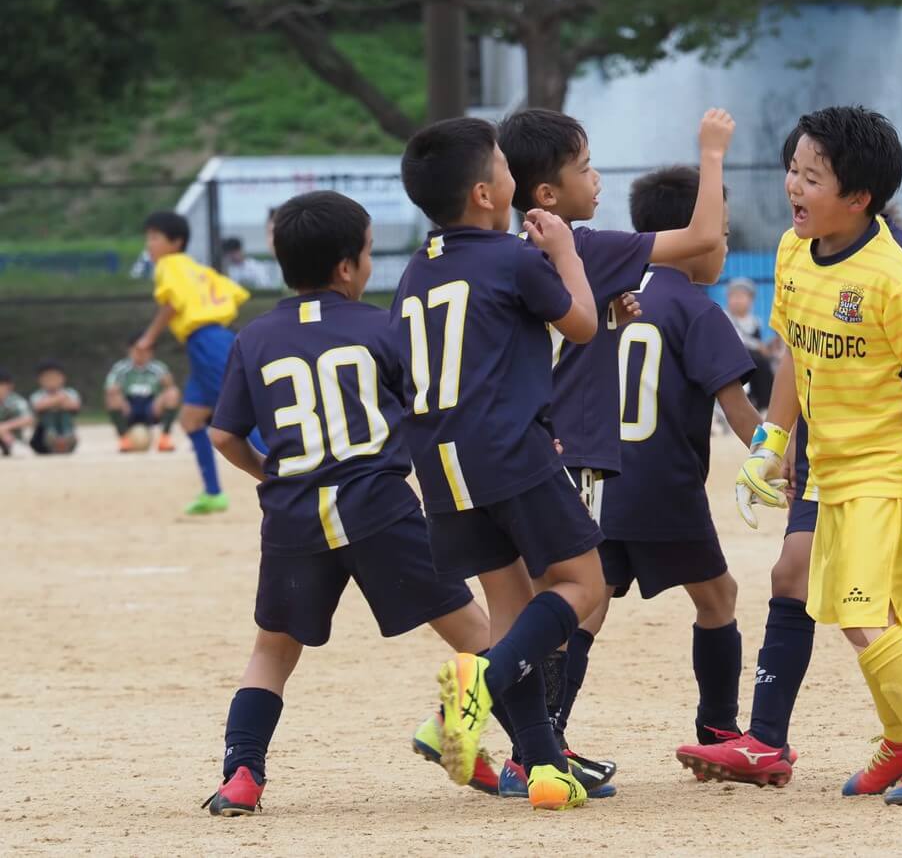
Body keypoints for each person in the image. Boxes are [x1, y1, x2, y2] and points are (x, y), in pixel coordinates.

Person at [675, 142, 902, 791]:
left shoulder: (896, 274)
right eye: (794, 172)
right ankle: (900, 742)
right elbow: (794, 356)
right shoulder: (792, 251)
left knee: (865, 615)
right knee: (858, 613)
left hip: (883, 472)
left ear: (858, 197)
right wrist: (770, 442)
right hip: (827, 472)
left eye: (812, 178)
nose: (793, 187)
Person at [200, 191, 494, 817]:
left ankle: (242, 774)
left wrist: (267, 476)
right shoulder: (382, 326)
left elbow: (224, 435)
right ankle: (495, 741)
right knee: (476, 633)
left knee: (273, 650)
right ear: (346, 267)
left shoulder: (253, 338)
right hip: (379, 508)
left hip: (294, 513)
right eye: (366, 252)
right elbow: (430, 405)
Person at [495, 105, 733, 797]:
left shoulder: (512, 256)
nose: (597, 179)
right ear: (547, 194)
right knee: (574, 604)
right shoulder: (584, 246)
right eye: (586, 167)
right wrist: (711, 153)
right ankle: (526, 742)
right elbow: (704, 236)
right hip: (574, 452)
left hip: (520, 448)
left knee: (558, 603)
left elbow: (551, 337)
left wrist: (601, 315)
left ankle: (540, 746)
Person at [391, 116, 608, 812]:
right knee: (584, 587)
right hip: (508, 447)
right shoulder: (513, 257)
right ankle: (476, 683)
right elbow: (581, 324)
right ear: (487, 194)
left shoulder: (414, 271)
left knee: (513, 611)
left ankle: (541, 768)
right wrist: (566, 253)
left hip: (442, 459)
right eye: (505, 170)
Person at [600, 166, 763, 756]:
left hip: (597, 482)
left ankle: (547, 735)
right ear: (692, 237)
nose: (723, 245)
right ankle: (718, 727)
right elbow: (739, 411)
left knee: (587, 605)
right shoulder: (695, 309)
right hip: (663, 486)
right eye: (719, 232)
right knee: (717, 597)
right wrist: (786, 461)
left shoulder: (607, 295)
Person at [134, 211, 251, 514]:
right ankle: (213, 493)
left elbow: (172, 304)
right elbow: (236, 295)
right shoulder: (199, 269)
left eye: (155, 238)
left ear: (176, 242)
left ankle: (291, 480)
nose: (149, 244)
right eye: (148, 238)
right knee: (191, 418)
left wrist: (148, 339)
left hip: (205, 342)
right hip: (217, 338)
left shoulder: (167, 265)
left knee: (242, 416)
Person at [104, 339, 181, 452]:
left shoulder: (158, 367)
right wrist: (117, 391)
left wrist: (167, 383)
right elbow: (110, 388)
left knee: (173, 392)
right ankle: (124, 440)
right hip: (129, 405)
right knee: (112, 396)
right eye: (137, 350)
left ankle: (165, 439)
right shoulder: (120, 368)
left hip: (151, 406)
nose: (141, 353)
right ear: (130, 350)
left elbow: (170, 386)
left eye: (145, 350)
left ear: (151, 352)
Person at [724, 278, 775, 412]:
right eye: (733, 296)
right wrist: (758, 346)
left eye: (741, 296)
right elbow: (737, 338)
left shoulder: (754, 321)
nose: (737, 300)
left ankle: (765, 404)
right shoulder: (725, 317)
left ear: (751, 299)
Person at [29, 360, 81, 455]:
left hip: (66, 427)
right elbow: (38, 407)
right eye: (48, 378)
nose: (52, 381)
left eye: (55, 378)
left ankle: (67, 436)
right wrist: (59, 400)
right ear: (40, 380)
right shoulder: (37, 395)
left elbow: (74, 407)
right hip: (44, 433)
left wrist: (52, 402)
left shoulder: (70, 392)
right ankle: (52, 436)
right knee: (48, 415)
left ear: (62, 378)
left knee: (64, 415)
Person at [0, 369, 37, 457]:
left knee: (21, 452)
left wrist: (4, 427)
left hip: (13, 440)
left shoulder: (17, 401)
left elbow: (29, 419)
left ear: (9, 386)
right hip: (6, 437)